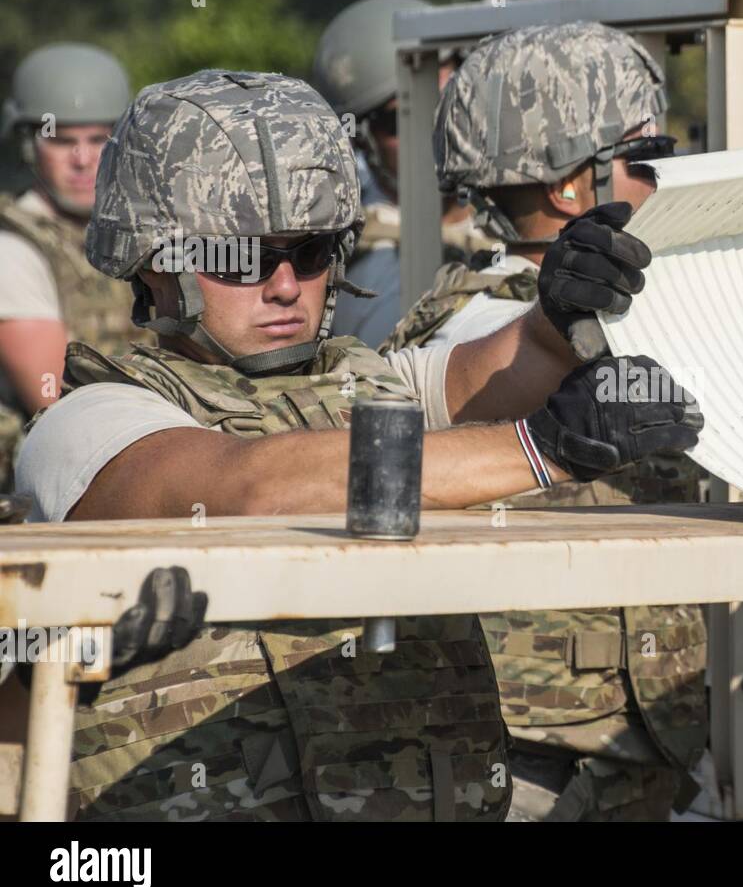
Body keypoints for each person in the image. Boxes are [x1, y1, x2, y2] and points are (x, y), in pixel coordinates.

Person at [13, 68, 701, 821]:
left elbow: (497, 370)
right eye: (244, 258)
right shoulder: (89, 421)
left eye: (310, 253)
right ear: (157, 263)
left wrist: (560, 311)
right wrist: (539, 449)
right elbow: (247, 488)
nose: (284, 285)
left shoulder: (365, 380)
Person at [384, 21, 710, 821]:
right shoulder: (471, 325)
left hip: (631, 761)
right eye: (649, 155)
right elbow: (487, 375)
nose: (669, 174)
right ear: (572, 188)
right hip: (525, 773)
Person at [0, 43, 145, 491]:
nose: (83, 160)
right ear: (29, 145)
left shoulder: (144, 227)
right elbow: (53, 404)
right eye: (62, 140)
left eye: (99, 139)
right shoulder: (13, 248)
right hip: (63, 470)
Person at [311, 0, 492, 347]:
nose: (439, 126)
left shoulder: (514, 197)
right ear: (364, 142)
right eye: (400, 119)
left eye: (450, 99)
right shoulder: (374, 273)